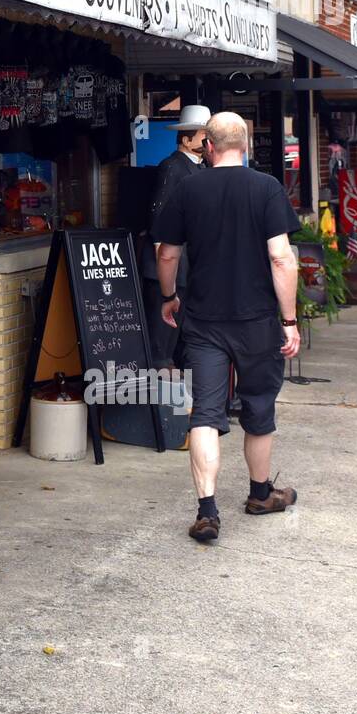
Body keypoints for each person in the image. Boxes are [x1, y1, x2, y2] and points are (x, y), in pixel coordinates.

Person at [154, 112, 302, 544]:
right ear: (247, 146)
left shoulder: (188, 187)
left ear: (208, 147)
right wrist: (289, 320)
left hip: (203, 322)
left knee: (205, 412)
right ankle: (259, 494)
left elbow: (167, 254)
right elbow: (281, 258)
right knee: (259, 407)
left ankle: (207, 511)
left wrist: (168, 298)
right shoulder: (267, 188)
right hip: (257, 322)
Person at [139, 103, 211, 370]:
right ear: (186, 138)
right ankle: (161, 403)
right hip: (168, 265)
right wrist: (163, 264)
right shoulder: (172, 167)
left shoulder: (201, 168)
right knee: (162, 337)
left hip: (186, 265)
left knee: (181, 334)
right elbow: (159, 217)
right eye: (204, 135)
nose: (208, 141)